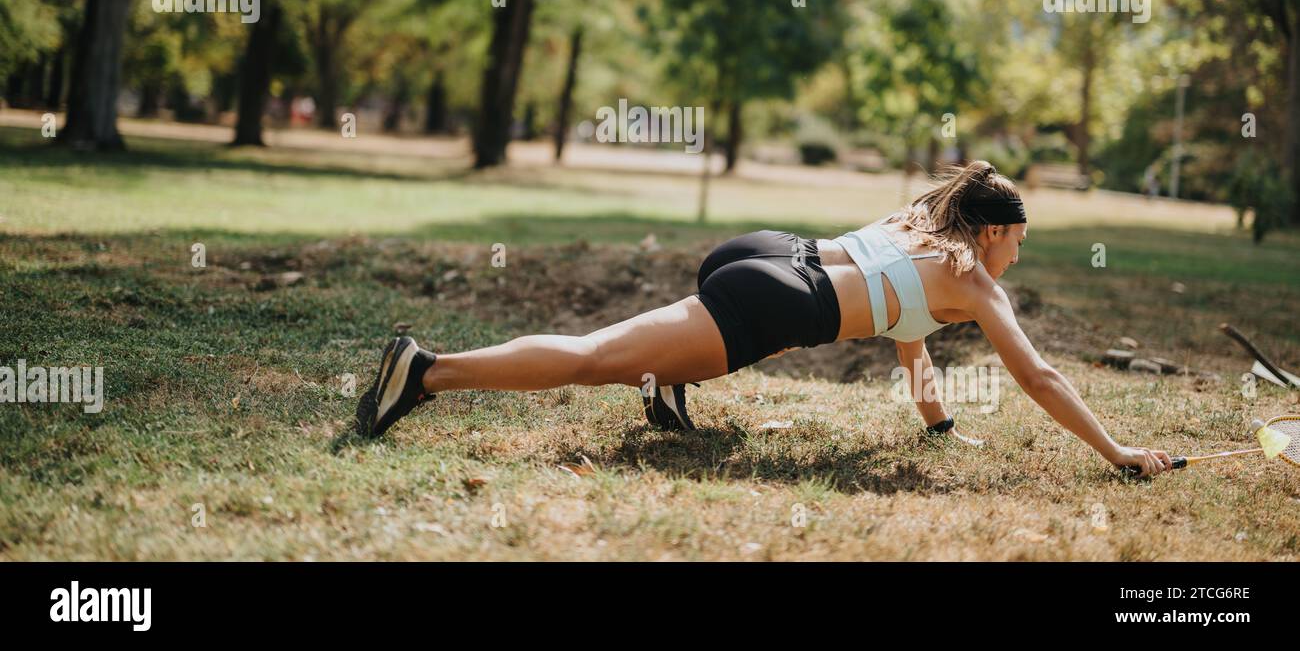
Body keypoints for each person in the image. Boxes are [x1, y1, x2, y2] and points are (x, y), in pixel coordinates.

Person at [354, 160, 1174, 478]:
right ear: (991, 231)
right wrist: (1116, 449)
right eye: (1018, 243)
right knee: (594, 355)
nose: (1017, 260)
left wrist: (936, 425)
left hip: (771, 249)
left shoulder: (918, 226)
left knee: (648, 346)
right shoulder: (978, 285)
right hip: (780, 300)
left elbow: (907, 333)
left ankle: (666, 388)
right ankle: (426, 372)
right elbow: (1039, 375)